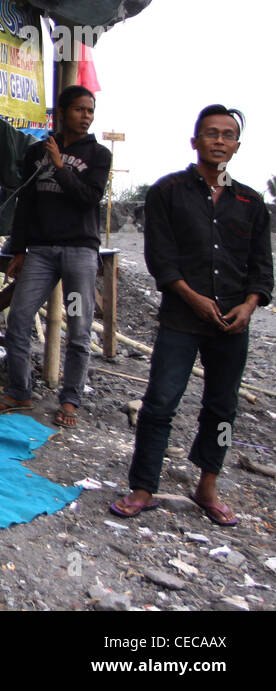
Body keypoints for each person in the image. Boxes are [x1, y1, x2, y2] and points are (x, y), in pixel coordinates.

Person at [111, 105, 273, 525]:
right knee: (160, 403)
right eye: (211, 133)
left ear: (236, 146)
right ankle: (143, 487)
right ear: (195, 141)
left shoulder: (251, 202)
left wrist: (249, 305)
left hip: (231, 326)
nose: (219, 141)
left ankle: (208, 487)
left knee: (222, 408)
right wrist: (193, 297)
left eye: (228, 135)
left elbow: (261, 267)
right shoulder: (167, 192)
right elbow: (160, 259)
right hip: (181, 321)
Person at [0, 85, 111, 427]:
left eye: (90, 111)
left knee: (78, 327)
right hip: (40, 252)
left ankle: (70, 400)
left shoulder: (99, 155)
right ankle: (19, 391)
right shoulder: (35, 153)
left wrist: (60, 167)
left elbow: (88, 197)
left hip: (79, 254)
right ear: (62, 112)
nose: (86, 117)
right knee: (20, 317)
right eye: (79, 110)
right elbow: (27, 205)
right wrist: (19, 249)